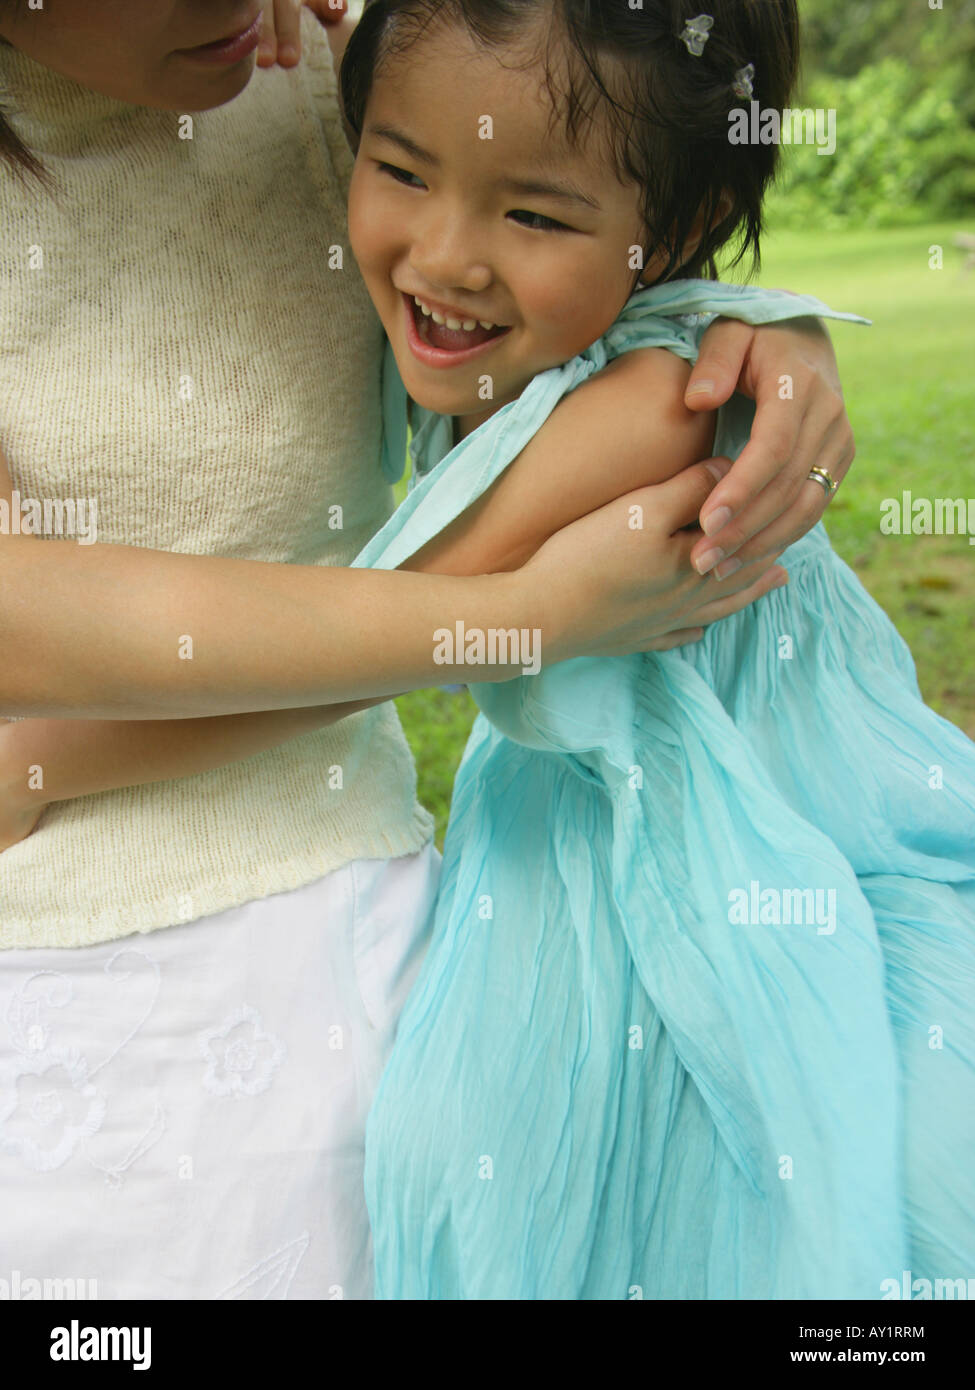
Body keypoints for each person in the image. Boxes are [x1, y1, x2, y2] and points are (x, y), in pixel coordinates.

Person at [0, 1, 857, 1299]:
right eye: (397, 171)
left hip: (398, 964)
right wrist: (527, 611)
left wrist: (742, 326)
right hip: (78, 1029)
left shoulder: (324, 74)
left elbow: (591, 195)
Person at [313, 0, 975, 1299]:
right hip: (585, 845)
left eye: (537, 217)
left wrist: (67, 741)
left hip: (741, 861)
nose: (444, 256)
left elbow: (361, 629)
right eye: (400, 169)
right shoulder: (521, 350)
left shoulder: (652, 403)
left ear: (668, 235)